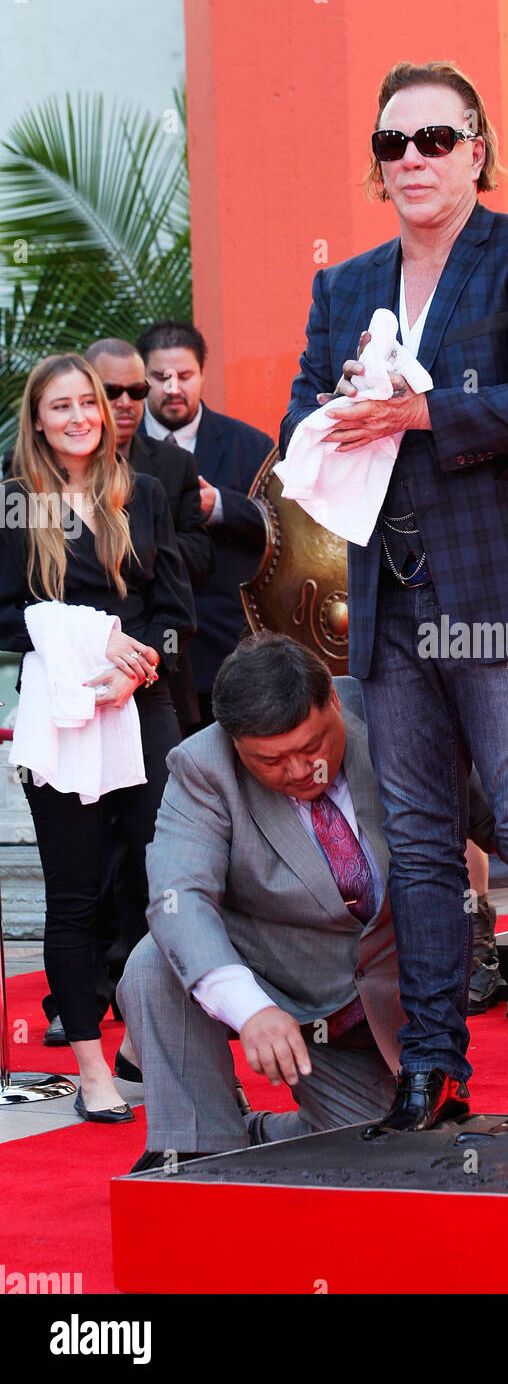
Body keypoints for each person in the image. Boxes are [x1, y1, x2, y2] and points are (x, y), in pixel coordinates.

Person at [281, 59, 508, 1136]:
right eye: (393, 144)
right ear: (377, 166)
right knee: (418, 842)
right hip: (387, 597)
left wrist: (421, 416)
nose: (412, 159)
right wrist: (337, 410)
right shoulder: (347, 286)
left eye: (435, 138)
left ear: (477, 147)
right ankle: (428, 1064)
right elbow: (300, 405)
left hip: (506, 591)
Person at [117, 634, 410, 1170]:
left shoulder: (394, 712)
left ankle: (250, 1131)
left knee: (382, 1153)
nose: (299, 771)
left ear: (335, 702)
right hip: (274, 979)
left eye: (313, 748)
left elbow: (495, 810)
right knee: (154, 963)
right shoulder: (201, 765)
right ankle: (201, 1148)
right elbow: (177, 893)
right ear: (234, 744)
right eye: (270, 760)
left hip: (380, 1010)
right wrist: (250, 1008)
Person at [0, 354, 195, 1122]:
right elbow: (4, 616)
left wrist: (135, 670)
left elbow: (173, 605)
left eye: (89, 401)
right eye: (61, 406)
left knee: (170, 885)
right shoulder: (16, 505)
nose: (81, 415)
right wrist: (87, 636)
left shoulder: (141, 493)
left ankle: (152, 1047)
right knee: (76, 896)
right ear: (38, 420)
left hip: (142, 705)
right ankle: (91, 1069)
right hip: (60, 712)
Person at [136, 319, 272, 727]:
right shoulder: (113, 448)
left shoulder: (250, 445)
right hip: (140, 649)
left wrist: (221, 506)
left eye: (185, 375)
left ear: (202, 375)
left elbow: (286, 526)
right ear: (142, 379)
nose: (173, 388)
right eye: (160, 377)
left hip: (226, 648)